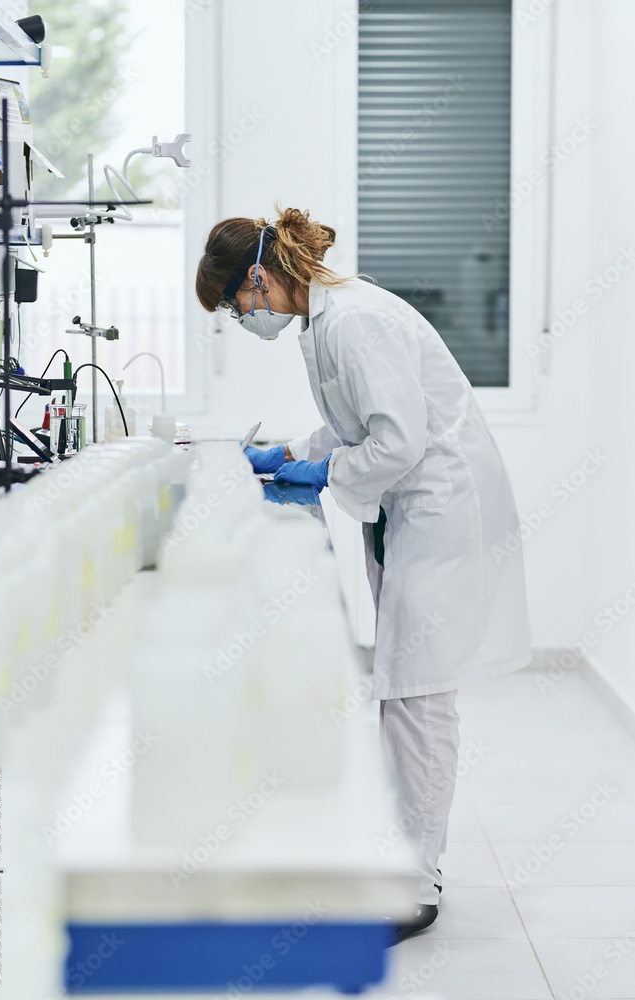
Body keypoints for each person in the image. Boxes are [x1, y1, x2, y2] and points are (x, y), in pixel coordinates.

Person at [195, 207, 531, 940]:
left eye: (231, 304)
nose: (237, 317)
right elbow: (358, 426)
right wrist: (293, 453)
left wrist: (323, 469)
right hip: (411, 513)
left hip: (442, 508)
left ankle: (415, 885)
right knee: (404, 688)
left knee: (415, 695)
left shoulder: (350, 320)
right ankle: (402, 861)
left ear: (256, 280)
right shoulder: (325, 321)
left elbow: (399, 440)